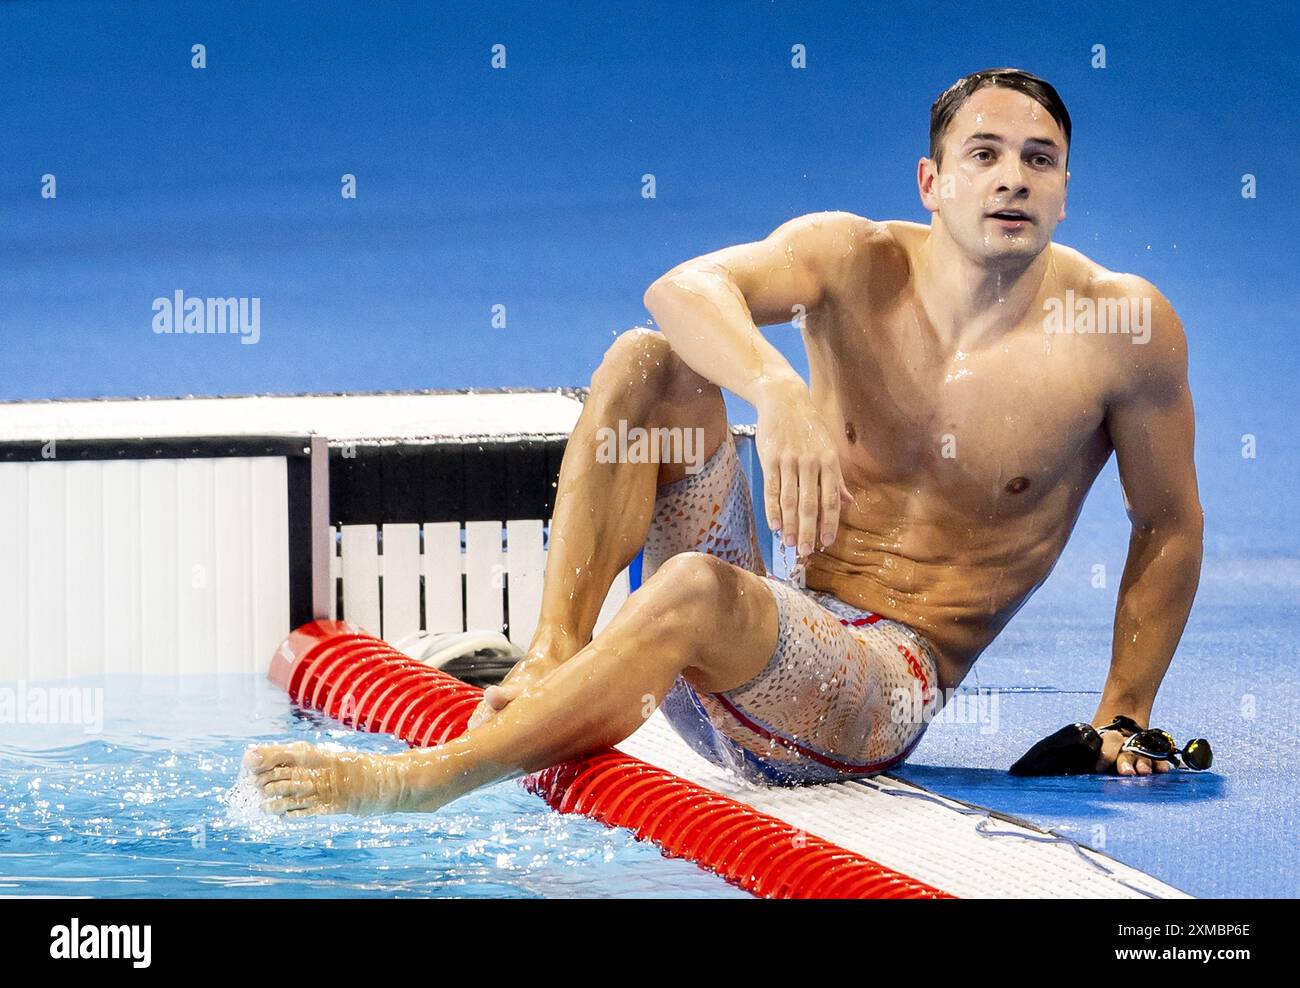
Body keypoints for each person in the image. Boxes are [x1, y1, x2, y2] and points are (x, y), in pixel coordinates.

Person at [246, 68, 1203, 816]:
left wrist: (1125, 712)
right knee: (650, 361)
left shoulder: (1119, 329)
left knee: (698, 591)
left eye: (1040, 160)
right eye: (985, 154)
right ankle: (552, 654)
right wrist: (777, 390)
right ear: (933, 182)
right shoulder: (852, 259)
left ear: (1067, 190)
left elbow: (1167, 524)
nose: (1011, 179)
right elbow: (681, 288)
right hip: (765, 632)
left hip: (874, 693)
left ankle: (431, 780)